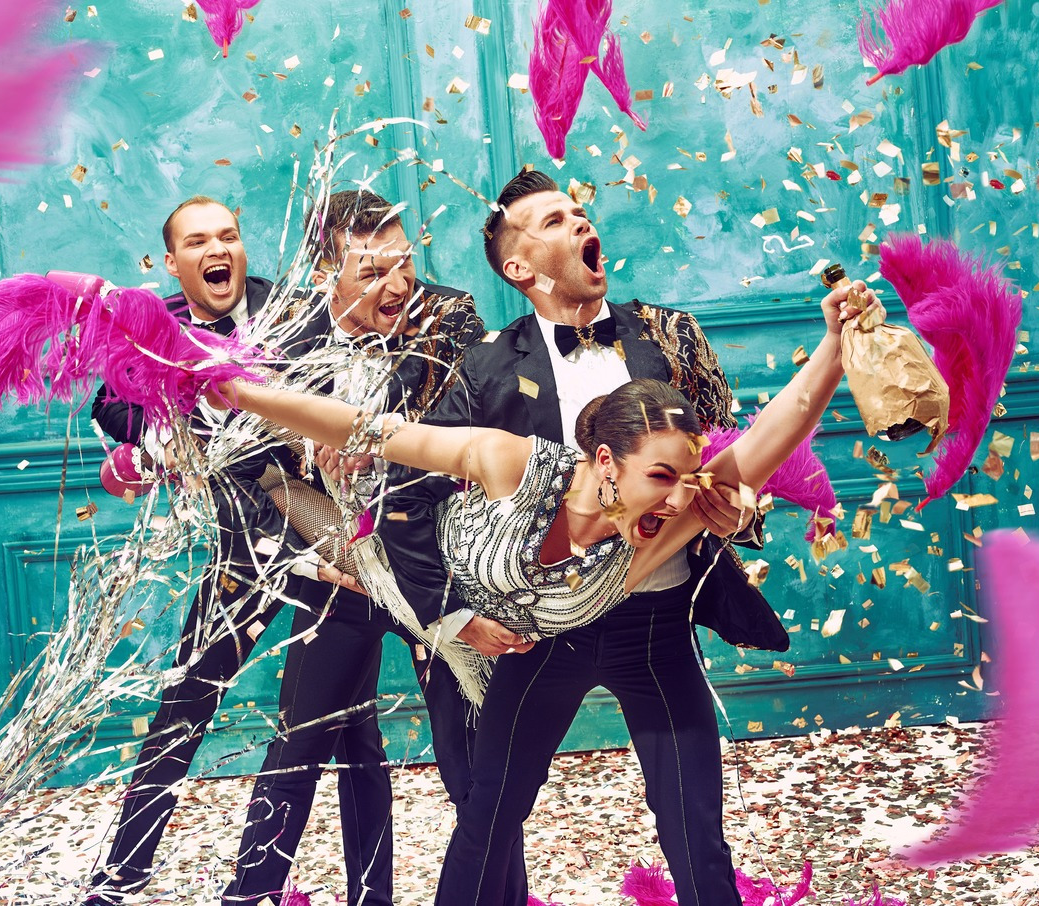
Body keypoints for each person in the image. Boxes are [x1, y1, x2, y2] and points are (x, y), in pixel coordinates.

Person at [370, 168, 880, 906]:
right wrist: (451, 614)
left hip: (659, 628)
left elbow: (734, 456)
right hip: (544, 636)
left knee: (695, 829)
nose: (579, 223)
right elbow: (405, 500)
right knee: (489, 818)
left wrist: (743, 516)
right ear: (518, 267)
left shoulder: (672, 336)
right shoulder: (484, 368)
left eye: (580, 212)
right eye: (553, 220)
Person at [83, 196, 391, 906]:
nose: (216, 248)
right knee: (183, 707)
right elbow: (111, 402)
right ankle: (118, 878)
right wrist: (169, 424)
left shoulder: (298, 310)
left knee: (351, 725)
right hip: (243, 550)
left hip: (328, 541)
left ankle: (370, 893)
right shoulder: (153, 329)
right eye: (198, 241)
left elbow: (341, 402)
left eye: (228, 235)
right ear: (173, 262)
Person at [214, 189, 493, 905]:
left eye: (404, 263)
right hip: (333, 570)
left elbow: (454, 417)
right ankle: (251, 897)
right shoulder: (282, 338)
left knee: (472, 759)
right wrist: (314, 555)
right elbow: (244, 466)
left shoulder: (447, 313)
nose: (398, 285)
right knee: (301, 745)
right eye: (372, 273)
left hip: (433, 569)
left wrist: (366, 437)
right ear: (323, 273)